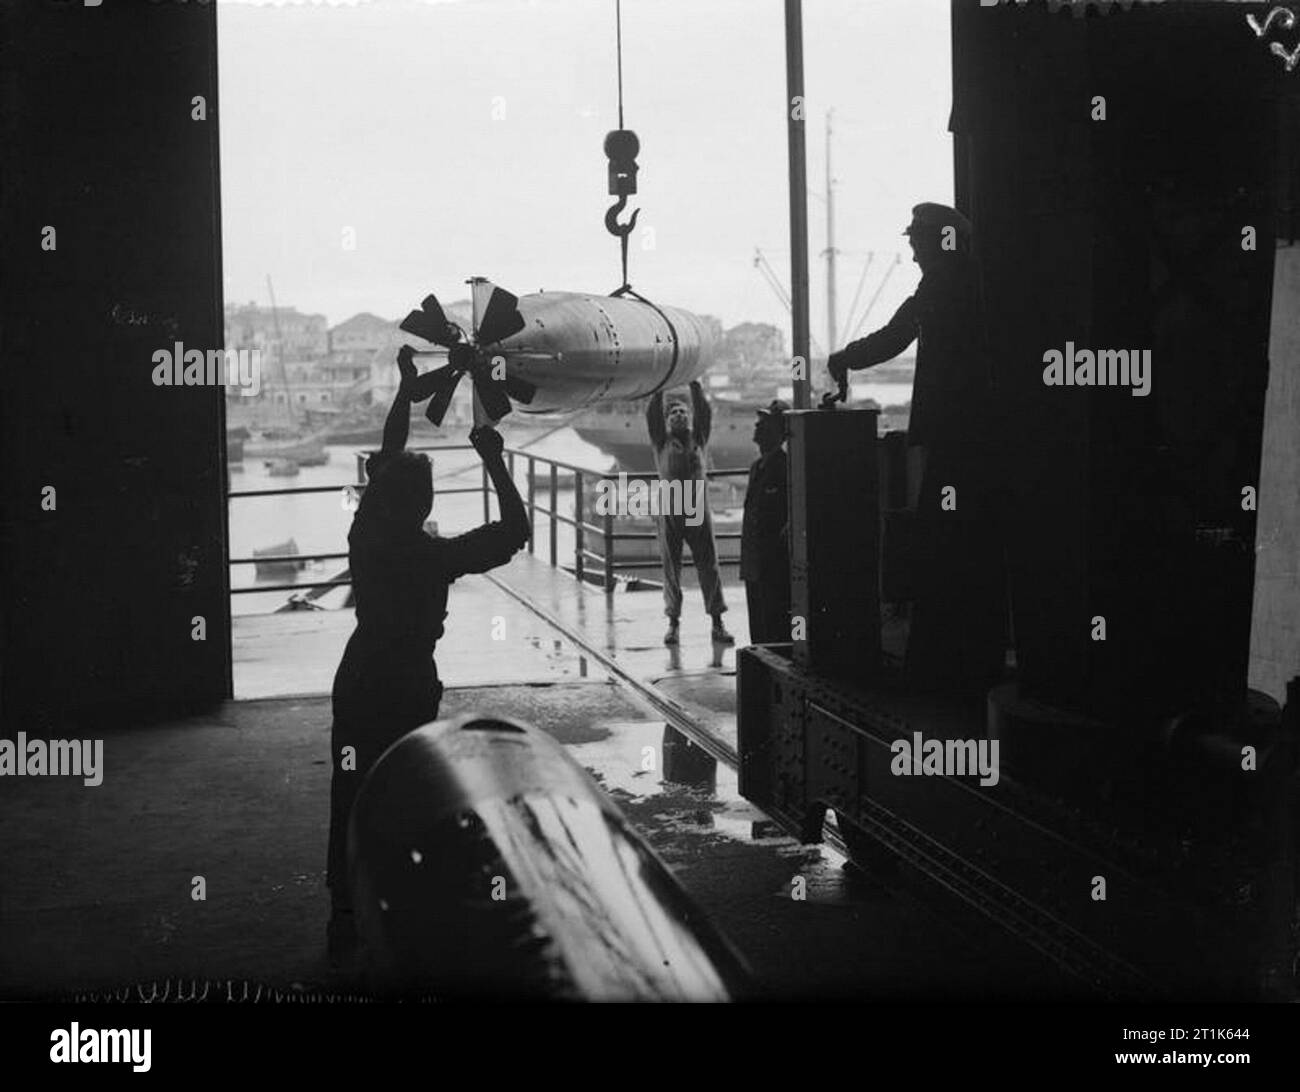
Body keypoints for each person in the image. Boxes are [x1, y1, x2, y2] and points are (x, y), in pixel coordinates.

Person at [326, 345, 529, 964]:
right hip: (412, 681)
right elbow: (515, 532)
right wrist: (494, 461)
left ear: (381, 498)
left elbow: (386, 460)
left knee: (349, 789)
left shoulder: (367, 534)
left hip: (360, 674)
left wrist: (405, 392)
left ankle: (341, 915)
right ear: (427, 506)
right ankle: (406, 905)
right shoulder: (436, 559)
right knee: (409, 791)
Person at [828, 202, 1003, 697]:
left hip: (955, 435)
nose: (912, 254)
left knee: (944, 544)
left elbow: (894, 335)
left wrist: (843, 360)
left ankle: (939, 663)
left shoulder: (945, 285)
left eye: (917, 243)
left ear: (939, 241)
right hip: (975, 436)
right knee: (965, 546)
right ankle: (967, 658)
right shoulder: (971, 283)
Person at [646, 381, 733, 646]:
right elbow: (652, 416)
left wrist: (695, 384)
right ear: (668, 421)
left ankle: (717, 623)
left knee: (708, 566)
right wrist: (659, 387)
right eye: (673, 414)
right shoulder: (661, 442)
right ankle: (673, 624)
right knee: (671, 569)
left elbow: (704, 412)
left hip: (696, 510)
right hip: (671, 512)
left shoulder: (699, 439)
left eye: (683, 412)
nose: (679, 415)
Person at [740, 400, 791, 644]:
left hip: (772, 566)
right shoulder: (756, 467)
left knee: (775, 627)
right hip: (753, 564)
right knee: (758, 630)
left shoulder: (785, 467)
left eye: (764, 424)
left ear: (778, 432)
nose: (757, 427)